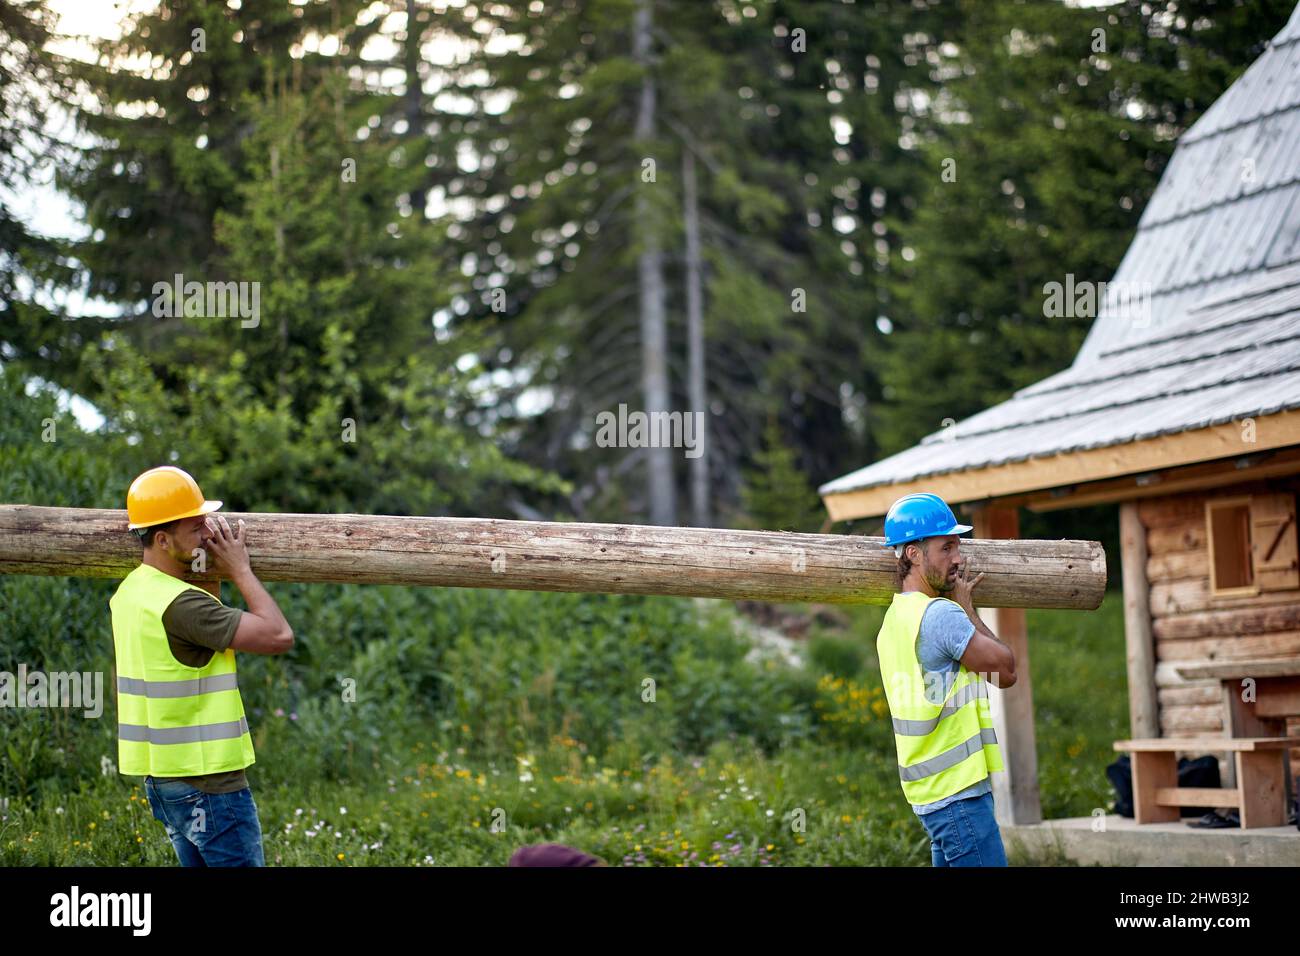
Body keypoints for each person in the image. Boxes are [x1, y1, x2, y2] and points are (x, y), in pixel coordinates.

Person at [110, 465, 294, 866]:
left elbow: (197, 628)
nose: (208, 533)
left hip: (165, 780)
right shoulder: (183, 606)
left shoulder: (131, 592)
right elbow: (278, 635)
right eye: (196, 527)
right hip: (210, 784)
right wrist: (239, 569)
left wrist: (206, 565)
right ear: (162, 538)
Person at [875, 492, 1017, 867]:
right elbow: (1005, 672)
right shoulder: (940, 615)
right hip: (959, 798)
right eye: (947, 547)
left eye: (959, 545)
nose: (959, 558)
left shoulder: (894, 620)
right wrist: (968, 610)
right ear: (913, 554)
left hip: (930, 796)